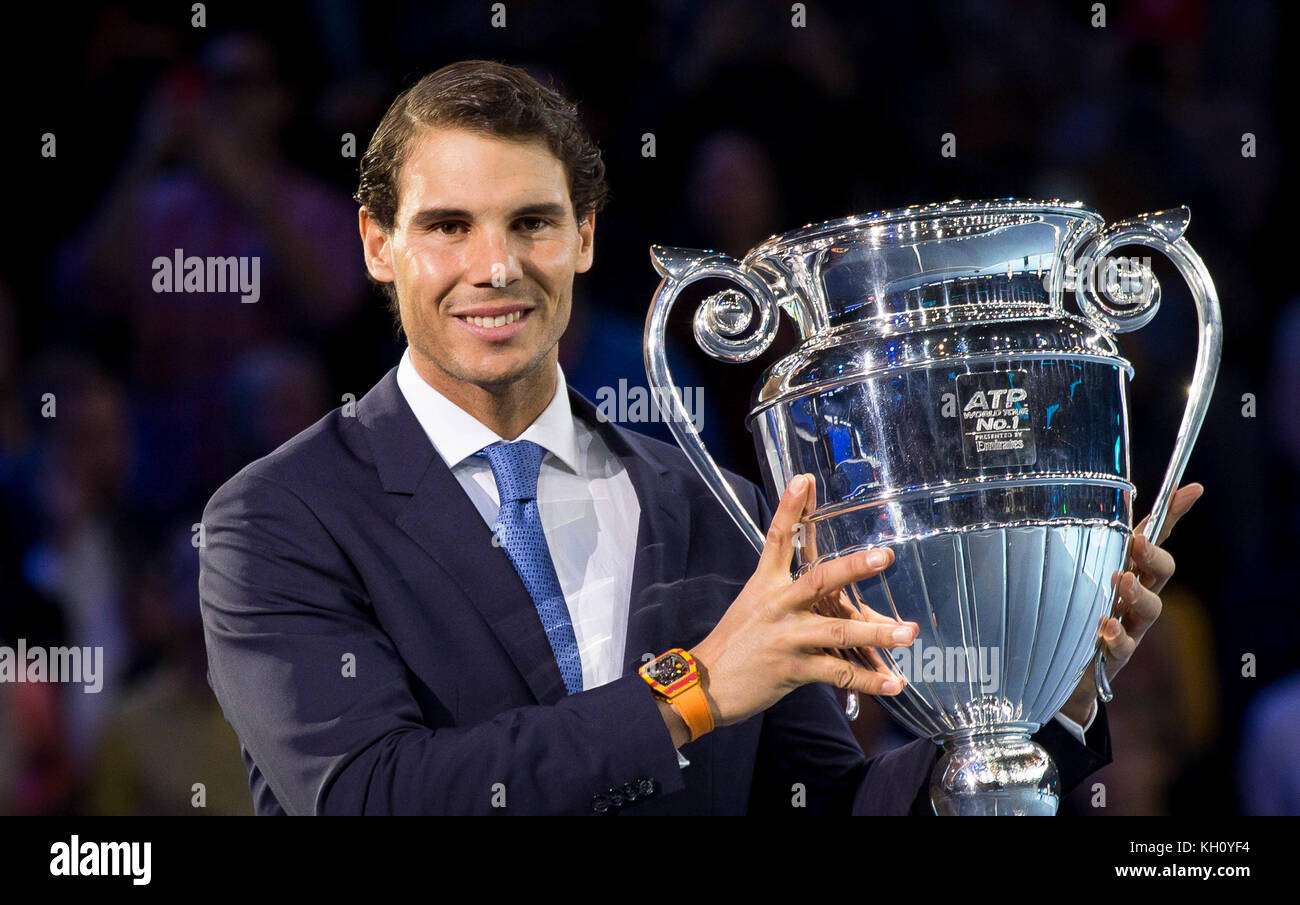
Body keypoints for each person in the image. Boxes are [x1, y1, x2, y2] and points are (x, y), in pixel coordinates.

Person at [198, 60, 1198, 815]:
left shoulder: (713, 505)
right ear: (377, 243)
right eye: (447, 226)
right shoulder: (277, 518)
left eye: (533, 223)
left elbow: (821, 801)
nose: (494, 265)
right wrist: (693, 690)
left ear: (585, 234)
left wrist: (1039, 701)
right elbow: (374, 793)